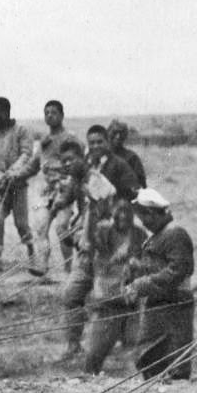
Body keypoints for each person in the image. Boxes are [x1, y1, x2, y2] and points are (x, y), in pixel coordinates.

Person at [55, 134, 138, 361]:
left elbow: (109, 217)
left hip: (104, 250)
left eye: (71, 159)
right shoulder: (76, 182)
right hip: (86, 251)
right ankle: (73, 345)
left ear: (83, 157)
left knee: (116, 297)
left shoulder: (97, 182)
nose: (67, 164)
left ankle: (127, 344)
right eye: (63, 161)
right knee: (72, 294)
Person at [127, 188, 195, 380]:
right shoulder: (157, 235)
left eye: (143, 217)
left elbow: (178, 270)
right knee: (148, 354)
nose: (142, 222)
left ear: (150, 214)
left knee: (174, 357)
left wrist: (142, 284)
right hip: (157, 304)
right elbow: (157, 266)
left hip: (174, 305)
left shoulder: (175, 233)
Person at [82, 201, 148, 375]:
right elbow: (88, 241)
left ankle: (135, 383)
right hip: (107, 305)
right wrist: (89, 212)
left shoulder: (139, 235)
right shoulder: (104, 232)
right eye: (119, 212)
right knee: (94, 354)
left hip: (130, 304)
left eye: (127, 212)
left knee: (133, 351)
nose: (123, 216)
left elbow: (147, 261)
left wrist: (137, 265)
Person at [0, 97, 36, 272]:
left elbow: (26, 154)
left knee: (21, 223)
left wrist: (11, 173)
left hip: (17, 185)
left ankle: (31, 252)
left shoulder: (21, 131)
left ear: (6, 112)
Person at [29, 100, 80, 278]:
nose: (50, 116)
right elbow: (33, 165)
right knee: (40, 227)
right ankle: (42, 265)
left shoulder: (71, 139)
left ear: (62, 115)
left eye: (54, 112)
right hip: (45, 191)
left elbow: (80, 164)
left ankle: (68, 269)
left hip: (65, 189)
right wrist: (16, 175)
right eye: (47, 113)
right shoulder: (43, 142)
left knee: (62, 227)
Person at [107, 119, 147, 189]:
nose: (118, 136)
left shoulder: (132, 157)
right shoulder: (100, 155)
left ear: (125, 136)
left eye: (121, 133)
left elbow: (141, 183)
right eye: (115, 132)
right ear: (108, 134)